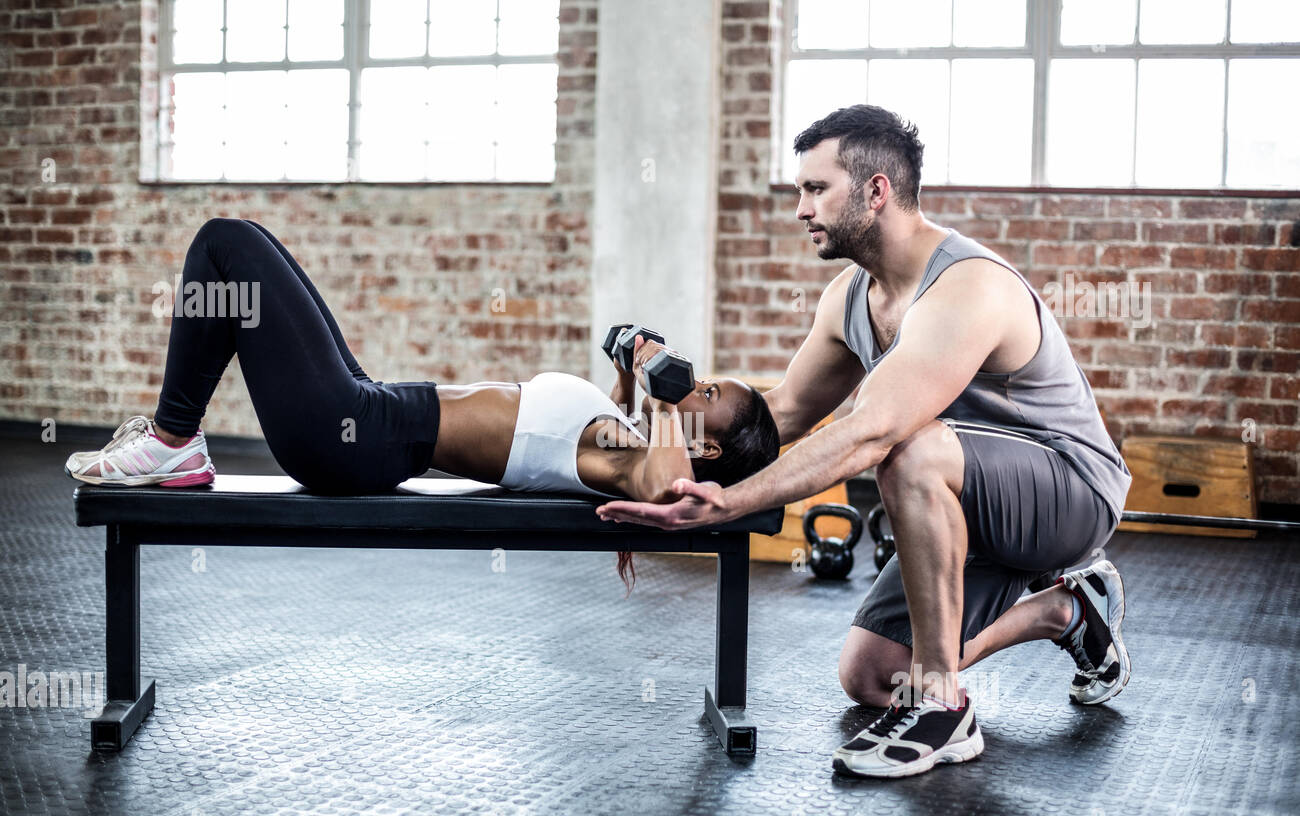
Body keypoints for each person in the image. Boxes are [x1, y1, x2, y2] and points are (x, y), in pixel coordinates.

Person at [597, 105, 1133, 778]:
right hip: (965, 509)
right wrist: (662, 434)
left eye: (815, 189)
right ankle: (1064, 611)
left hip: (1069, 492)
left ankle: (944, 707)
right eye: (800, 190)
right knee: (872, 676)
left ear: (877, 191)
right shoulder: (852, 296)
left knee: (906, 447)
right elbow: (781, 415)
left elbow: (873, 432)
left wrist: (729, 507)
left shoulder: (966, 286)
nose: (800, 209)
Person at [64, 218, 780, 593]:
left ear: (707, 448)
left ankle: (173, 439)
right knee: (261, 253)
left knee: (227, 245)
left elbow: (661, 483)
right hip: (372, 410)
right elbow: (641, 432)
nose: (700, 385)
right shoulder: (629, 435)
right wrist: (633, 367)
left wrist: (660, 378)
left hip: (357, 438)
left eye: (712, 396)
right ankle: (174, 438)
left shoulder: (639, 465)